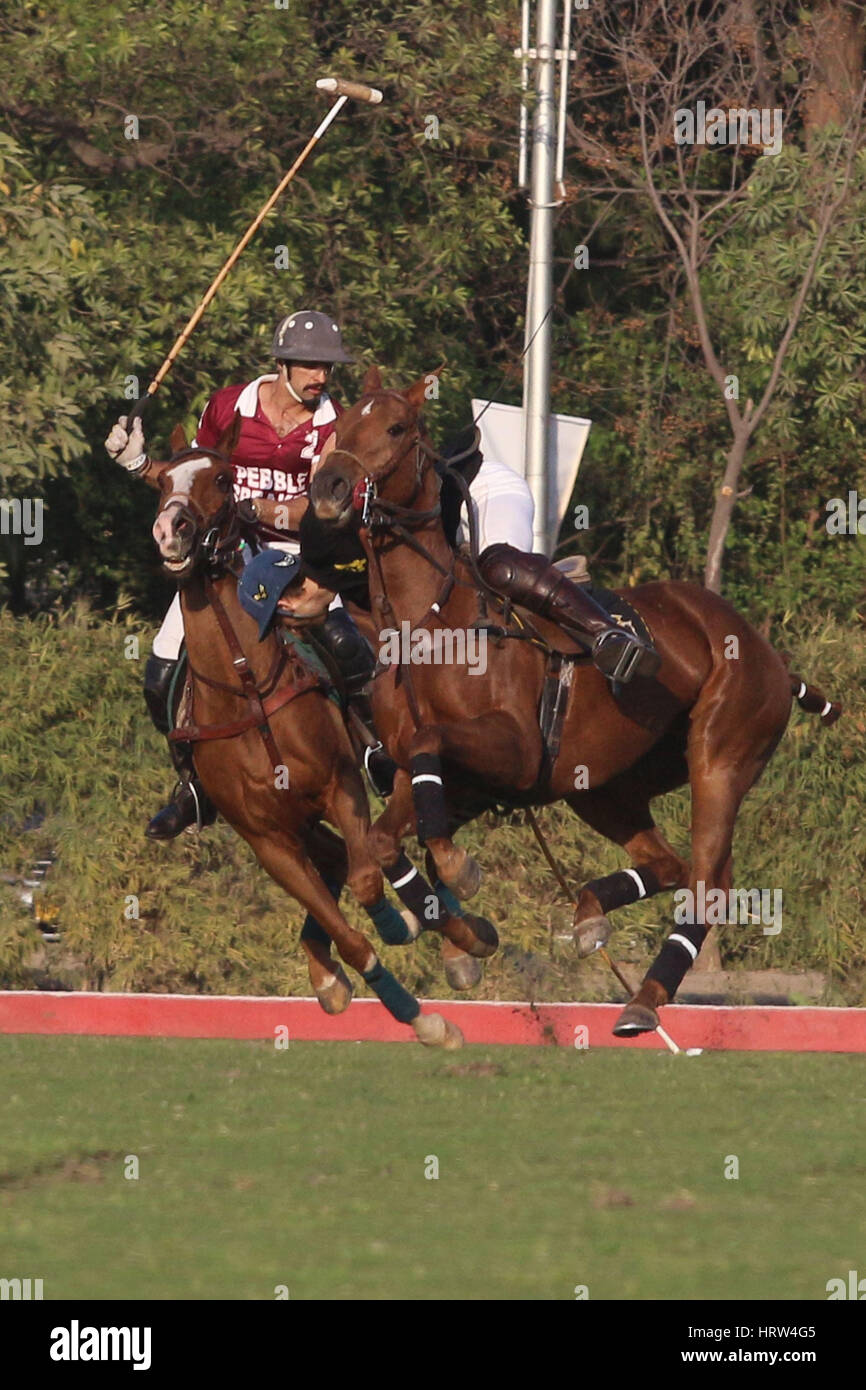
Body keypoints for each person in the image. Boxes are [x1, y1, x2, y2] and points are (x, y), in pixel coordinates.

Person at [105, 308, 379, 837]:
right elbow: (191, 483)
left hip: (296, 556)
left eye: (328, 367)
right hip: (222, 558)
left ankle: (373, 755)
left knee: (350, 648)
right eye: (310, 365)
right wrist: (140, 466)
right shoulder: (228, 406)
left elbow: (332, 509)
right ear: (282, 362)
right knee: (161, 674)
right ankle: (192, 786)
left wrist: (258, 510)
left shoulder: (333, 426)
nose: (320, 377)